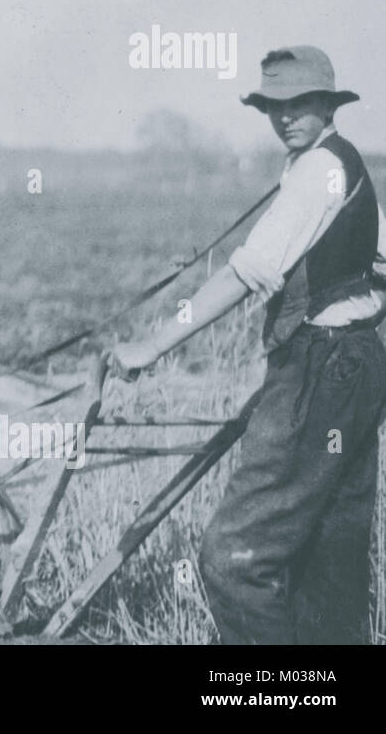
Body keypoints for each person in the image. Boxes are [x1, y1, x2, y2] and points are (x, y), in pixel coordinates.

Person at [110, 46, 386, 644]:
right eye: (273, 106)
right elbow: (381, 265)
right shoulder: (347, 166)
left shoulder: (317, 172)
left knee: (235, 557)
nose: (285, 117)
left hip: (320, 367)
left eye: (299, 104)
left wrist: (150, 348)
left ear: (327, 104)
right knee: (328, 560)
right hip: (357, 367)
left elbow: (246, 272)